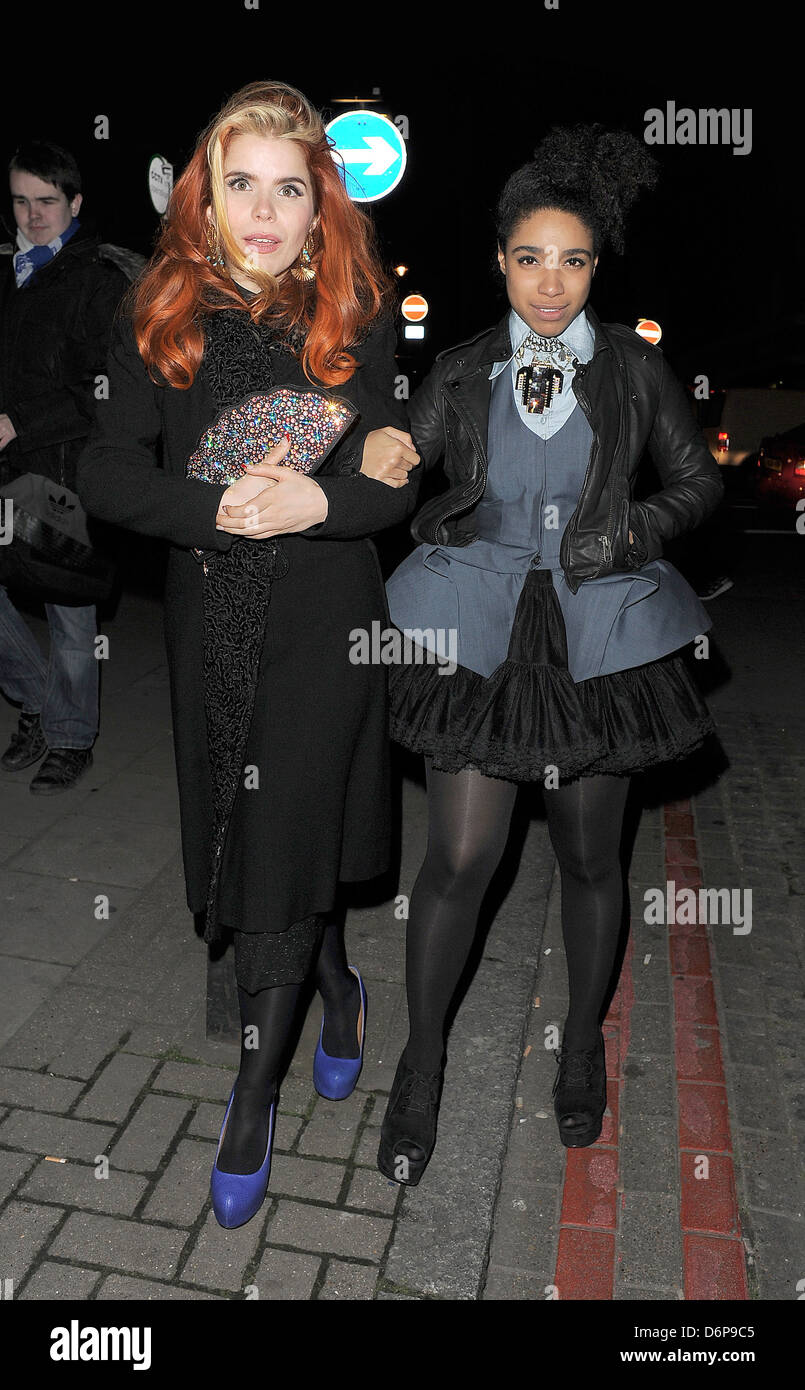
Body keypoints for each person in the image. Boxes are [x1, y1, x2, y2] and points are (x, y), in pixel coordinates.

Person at [76, 80, 420, 1228]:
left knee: (280, 838)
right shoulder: (158, 313)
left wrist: (314, 506)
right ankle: (334, 985)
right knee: (258, 848)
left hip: (327, 631)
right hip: (215, 625)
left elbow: (389, 477)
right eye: (241, 186)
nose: (264, 212)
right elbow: (108, 474)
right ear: (204, 197)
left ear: (320, 209)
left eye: (289, 189)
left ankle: (251, 1094)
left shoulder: (355, 316)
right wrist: (218, 510)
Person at [361, 124, 724, 1186]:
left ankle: (578, 1050)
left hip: (600, 627)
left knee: (585, 856)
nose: (550, 282)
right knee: (461, 858)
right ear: (501, 263)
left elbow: (697, 483)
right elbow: (398, 458)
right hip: (474, 623)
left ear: (596, 265)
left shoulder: (636, 368)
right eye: (529, 258)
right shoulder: (466, 365)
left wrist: (635, 532)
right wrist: (378, 447)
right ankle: (421, 1064)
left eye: (572, 259)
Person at [0, 141, 136, 791]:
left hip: (57, 470)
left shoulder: (97, 278)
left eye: (47, 202)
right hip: (4, 467)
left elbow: (103, 386)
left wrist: (18, 421)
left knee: (68, 604)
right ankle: (37, 699)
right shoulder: (11, 269)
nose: (33, 215)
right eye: (21, 201)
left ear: (75, 203)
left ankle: (71, 735)